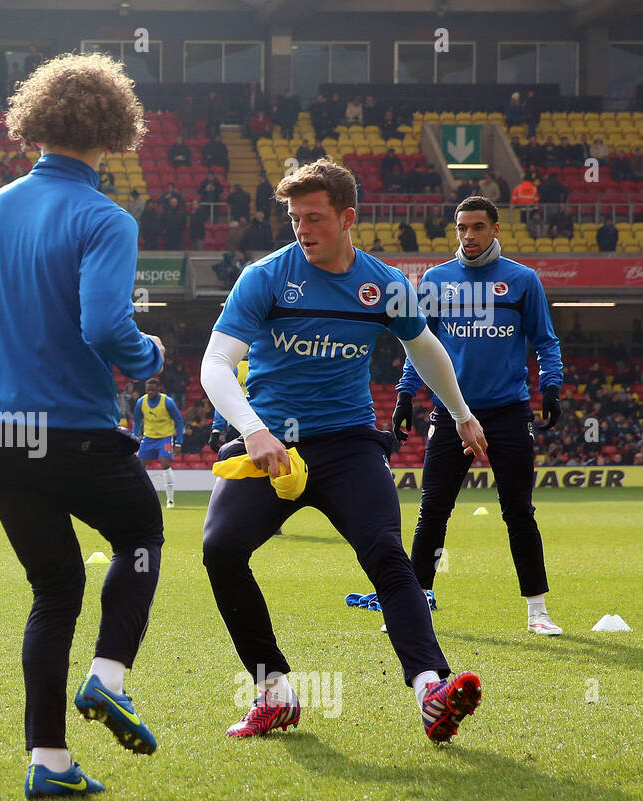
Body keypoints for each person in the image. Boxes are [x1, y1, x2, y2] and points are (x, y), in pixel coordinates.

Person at [0, 52, 164, 799]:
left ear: (34, 121)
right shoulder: (105, 217)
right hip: (74, 432)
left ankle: (50, 761)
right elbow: (105, 325)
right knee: (139, 538)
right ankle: (106, 679)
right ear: (114, 129)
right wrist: (149, 354)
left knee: (55, 586)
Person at [199, 157, 485, 745]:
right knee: (221, 550)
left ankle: (430, 689)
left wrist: (461, 413)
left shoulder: (382, 284)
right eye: (294, 218)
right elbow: (216, 364)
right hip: (271, 443)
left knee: (386, 553)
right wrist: (253, 429)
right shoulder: (264, 278)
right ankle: (273, 693)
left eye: (315, 218)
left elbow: (426, 349)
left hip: (350, 443)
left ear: (347, 217)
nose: (302, 229)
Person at [393, 195, 565, 637]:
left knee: (518, 511)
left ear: (495, 229)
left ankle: (537, 611)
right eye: (461, 228)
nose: (468, 236)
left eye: (477, 227)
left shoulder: (523, 281)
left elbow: (546, 340)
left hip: (508, 413)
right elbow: (418, 346)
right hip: (452, 412)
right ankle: (417, 606)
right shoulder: (434, 280)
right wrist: (405, 394)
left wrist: (551, 386)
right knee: (432, 510)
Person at [133, 378, 184, 508]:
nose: (150, 392)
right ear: (145, 390)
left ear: (158, 389)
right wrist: (134, 437)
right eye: (148, 390)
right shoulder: (141, 402)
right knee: (138, 466)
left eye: (153, 390)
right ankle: (137, 496)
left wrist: (178, 443)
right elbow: (137, 421)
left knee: (165, 463)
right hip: (148, 438)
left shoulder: (167, 402)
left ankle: (170, 500)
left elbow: (179, 420)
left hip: (164, 437)